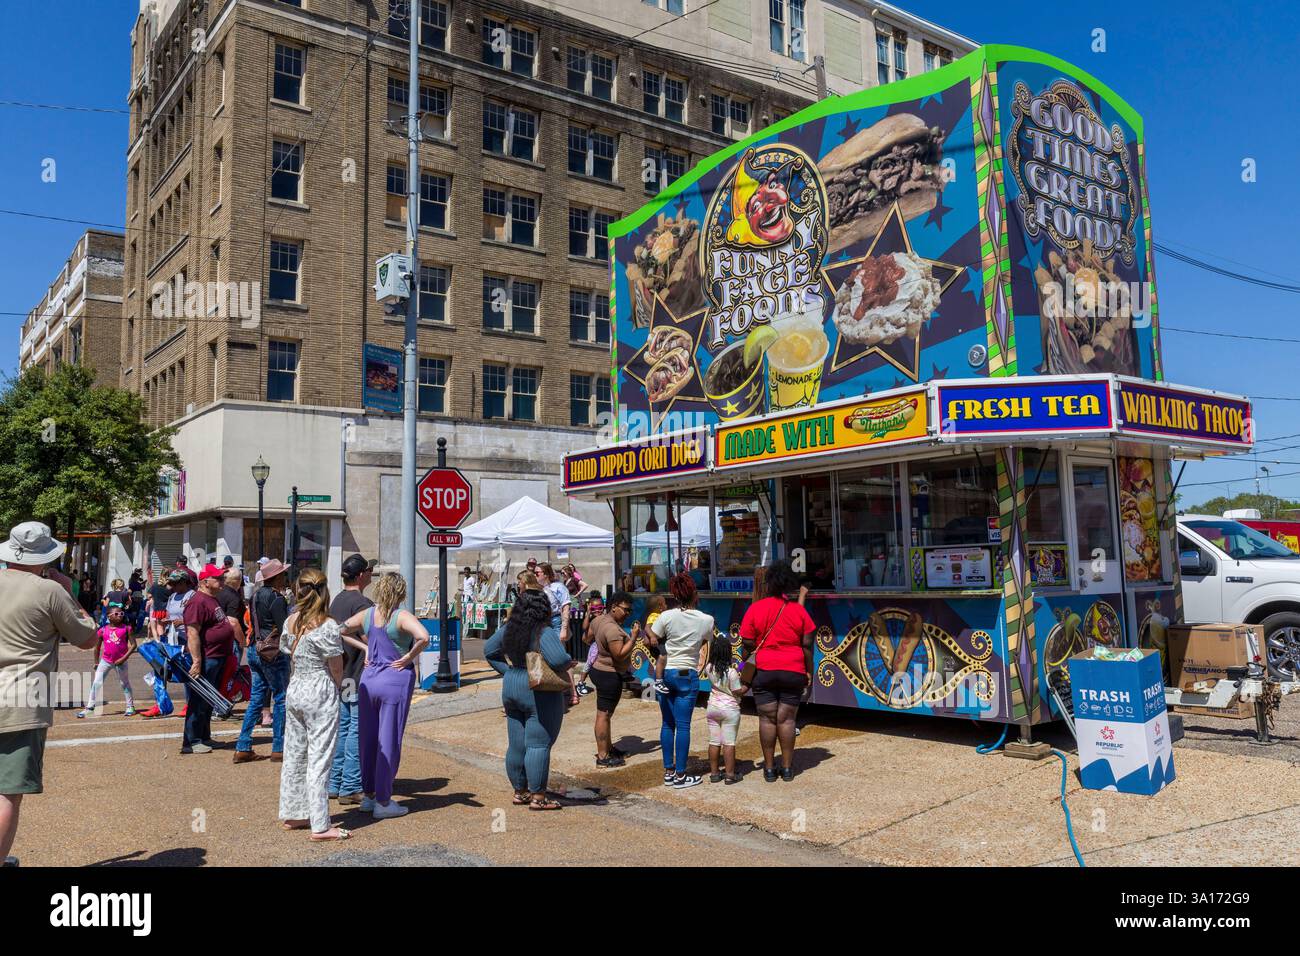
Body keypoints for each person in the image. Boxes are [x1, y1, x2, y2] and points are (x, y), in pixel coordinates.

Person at [0, 523, 98, 867]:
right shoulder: (49, 590)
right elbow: (88, 638)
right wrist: (68, 591)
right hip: (22, 699)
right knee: (7, 792)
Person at [339, 572, 428, 819]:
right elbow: (423, 637)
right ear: (401, 592)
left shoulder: (368, 614)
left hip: (369, 680)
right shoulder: (401, 616)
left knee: (367, 739)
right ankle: (383, 800)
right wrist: (409, 657)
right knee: (389, 740)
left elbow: (341, 630)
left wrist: (366, 647)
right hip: (394, 680)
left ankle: (368, 796)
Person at [483, 590, 575, 810]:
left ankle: (520, 791)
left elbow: (489, 651)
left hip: (512, 683)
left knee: (516, 744)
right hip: (537, 687)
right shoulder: (544, 631)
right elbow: (558, 659)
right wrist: (569, 663)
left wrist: (508, 671)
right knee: (538, 744)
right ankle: (538, 797)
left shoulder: (509, 628)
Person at [278, 569, 349, 841]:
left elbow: (288, 650)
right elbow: (336, 667)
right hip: (319, 687)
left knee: (295, 754)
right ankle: (320, 824)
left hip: (296, 687)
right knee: (319, 758)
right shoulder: (328, 625)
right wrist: (337, 686)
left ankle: (295, 813)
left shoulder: (292, 620)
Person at [738, 559, 815, 783]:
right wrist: (808, 671)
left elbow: (746, 641)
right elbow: (807, 644)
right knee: (787, 720)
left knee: (767, 719)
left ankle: (770, 769)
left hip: (764, 670)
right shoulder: (798, 612)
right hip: (793, 669)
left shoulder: (755, 609)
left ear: (769, 584)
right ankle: (788, 769)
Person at [650, 573, 714, 789]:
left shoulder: (666, 616)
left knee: (667, 723)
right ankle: (680, 775)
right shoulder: (706, 619)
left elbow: (654, 635)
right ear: (694, 594)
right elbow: (707, 641)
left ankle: (669, 771)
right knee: (683, 725)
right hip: (688, 673)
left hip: (667, 672)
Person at [233, 559, 292, 763]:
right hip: (272, 651)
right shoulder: (277, 598)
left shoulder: (256, 595)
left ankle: (243, 744)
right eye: (283, 574)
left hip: (254, 648)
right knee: (281, 697)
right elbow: (285, 627)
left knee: (257, 697)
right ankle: (279, 746)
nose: (285, 578)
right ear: (276, 577)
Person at [328, 553, 375, 806]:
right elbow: (371, 639)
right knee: (356, 729)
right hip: (357, 673)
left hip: (342, 673)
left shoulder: (337, 600)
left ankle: (335, 783)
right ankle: (350, 785)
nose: (370, 574)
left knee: (344, 727)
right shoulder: (363, 604)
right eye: (368, 571)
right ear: (360, 575)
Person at [181, 565, 238, 755]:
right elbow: (192, 632)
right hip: (207, 658)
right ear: (206, 582)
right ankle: (191, 741)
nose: (222, 581)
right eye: (218, 578)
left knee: (208, 700)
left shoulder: (211, 599)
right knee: (199, 699)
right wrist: (196, 661)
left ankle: (204, 737)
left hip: (218, 656)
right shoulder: (197, 601)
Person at [586, 592, 636, 767]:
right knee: (603, 715)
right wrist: (634, 637)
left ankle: (608, 748)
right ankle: (603, 756)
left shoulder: (599, 620)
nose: (628, 613)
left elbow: (586, 638)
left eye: (630, 610)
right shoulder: (613, 629)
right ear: (613, 607)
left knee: (606, 715)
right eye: (625, 610)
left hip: (599, 669)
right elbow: (620, 654)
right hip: (608, 674)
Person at [78, 607, 137, 718]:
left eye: (121, 613)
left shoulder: (126, 628)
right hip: (105, 661)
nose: (120, 615)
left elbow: (134, 645)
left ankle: (130, 706)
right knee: (97, 683)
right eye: (116, 613)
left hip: (121, 662)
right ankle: (90, 708)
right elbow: (97, 648)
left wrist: (123, 659)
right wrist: (96, 662)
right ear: (109, 616)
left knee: (124, 683)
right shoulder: (103, 630)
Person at [704, 631, 744, 784]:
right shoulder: (732, 673)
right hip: (730, 710)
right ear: (728, 651)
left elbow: (727, 675)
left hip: (712, 708)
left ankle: (714, 774)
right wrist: (746, 687)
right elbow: (737, 690)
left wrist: (742, 665)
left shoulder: (709, 668)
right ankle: (729, 775)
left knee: (714, 741)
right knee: (729, 742)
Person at [537, 563, 571, 644]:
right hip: (542, 624)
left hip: (556, 622)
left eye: (537, 573)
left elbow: (566, 607)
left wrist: (564, 629)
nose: (534, 575)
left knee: (556, 650)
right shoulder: (538, 589)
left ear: (545, 574)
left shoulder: (558, 587)